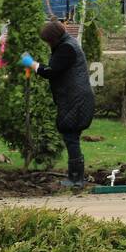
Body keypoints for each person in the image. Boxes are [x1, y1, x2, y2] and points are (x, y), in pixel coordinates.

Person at [21, 20, 94, 186]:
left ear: (53, 38)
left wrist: (32, 64)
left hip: (75, 100)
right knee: (72, 136)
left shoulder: (67, 48)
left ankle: (76, 179)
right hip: (76, 98)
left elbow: (51, 71)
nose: (47, 45)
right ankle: (76, 177)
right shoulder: (68, 43)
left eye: (47, 41)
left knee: (70, 135)